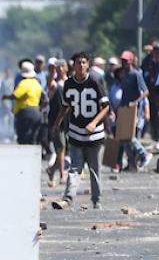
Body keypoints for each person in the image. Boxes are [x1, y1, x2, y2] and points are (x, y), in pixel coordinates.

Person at [60, 52, 111, 208]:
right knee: (75, 168)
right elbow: (65, 106)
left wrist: (94, 123)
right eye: (78, 62)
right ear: (73, 65)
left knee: (94, 169)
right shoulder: (68, 84)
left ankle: (96, 200)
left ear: (88, 64)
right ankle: (68, 198)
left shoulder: (95, 81)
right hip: (75, 133)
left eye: (83, 62)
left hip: (94, 136)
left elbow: (106, 107)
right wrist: (58, 122)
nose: (81, 65)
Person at [113, 51, 150, 171]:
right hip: (124, 108)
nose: (123, 63)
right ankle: (132, 164)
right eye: (122, 60)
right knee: (123, 138)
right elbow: (124, 93)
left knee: (129, 136)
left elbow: (145, 92)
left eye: (126, 60)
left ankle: (144, 153)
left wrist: (136, 102)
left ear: (131, 61)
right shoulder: (124, 75)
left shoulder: (136, 74)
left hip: (133, 109)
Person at [9, 61, 43, 145]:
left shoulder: (23, 83)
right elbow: (43, 97)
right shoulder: (37, 83)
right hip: (37, 112)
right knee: (33, 138)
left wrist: (6, 97)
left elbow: (16, 95)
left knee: (23, 137)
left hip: (25, 112)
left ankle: (24, 155)